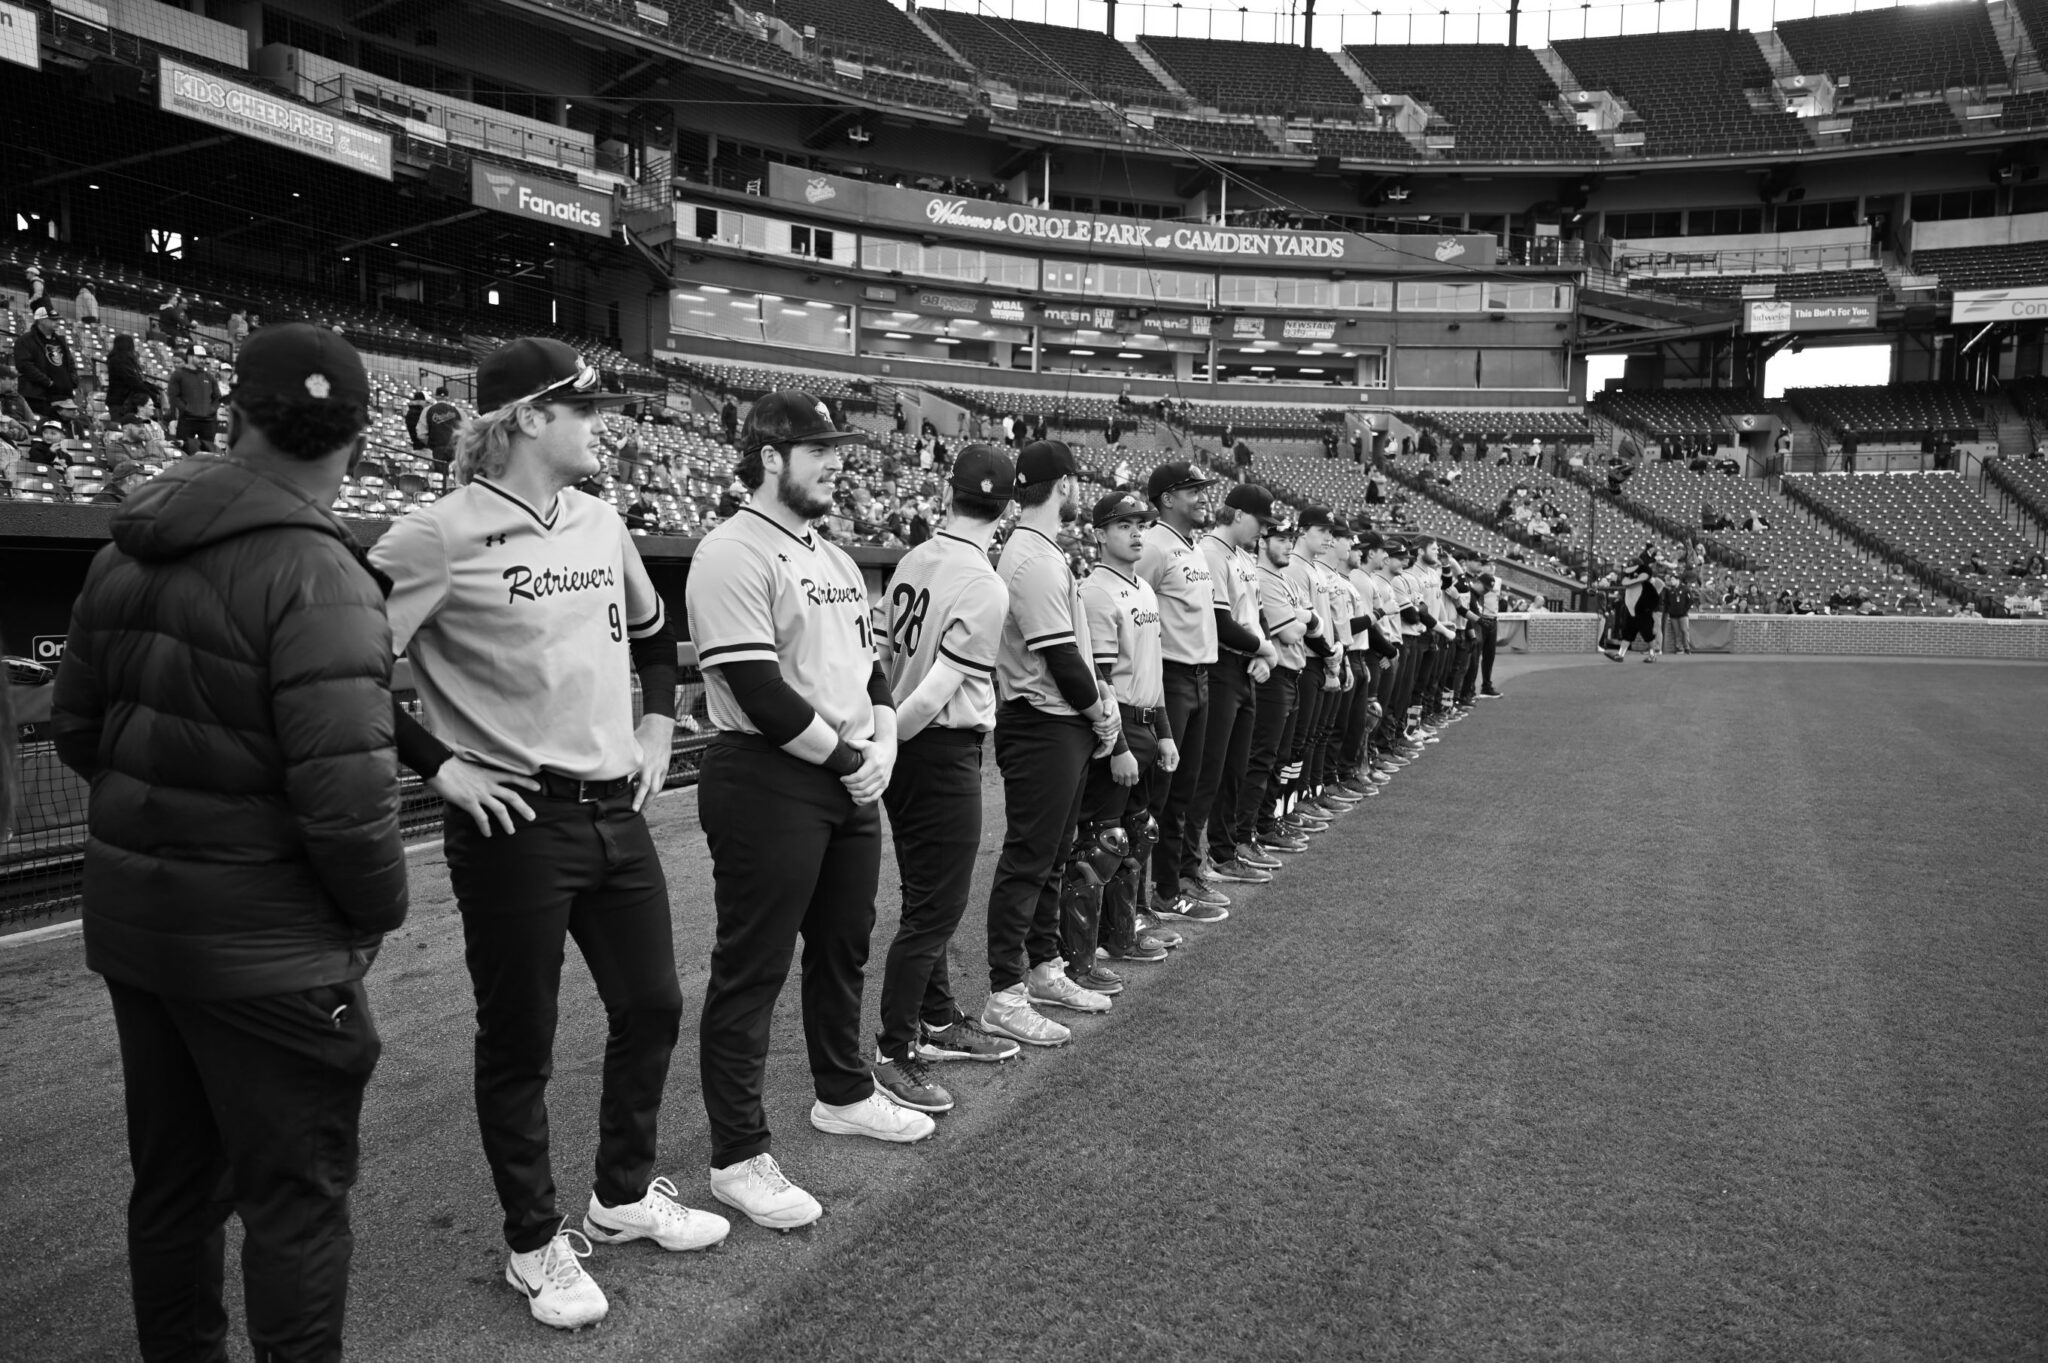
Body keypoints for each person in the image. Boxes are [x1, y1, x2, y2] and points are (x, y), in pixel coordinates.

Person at [51, 323, 407, 1362]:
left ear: (231, 412)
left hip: (142, 926)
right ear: (355, 433)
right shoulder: (321, 571)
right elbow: (350, 807)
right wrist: (373, 914)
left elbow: (80, 732)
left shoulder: (130, 539)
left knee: (174, 1187)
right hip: (270, 948)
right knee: (294, 1206)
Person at [373, 337, 722, 1332]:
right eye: (582, 407)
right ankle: (534, 1242)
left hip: (616, 808)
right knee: (517, 1038)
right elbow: (342, 657)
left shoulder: (601, 519)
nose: (599, 421)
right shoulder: (433, 533)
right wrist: (437, 763)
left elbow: (655, 637)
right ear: (527, 417)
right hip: (514, 821)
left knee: (652, 1004)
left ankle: (620, 1195)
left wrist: (659, 720)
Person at [687, 390, 932, 1236]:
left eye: (839, 448)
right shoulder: (730, 550)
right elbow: (758, 688)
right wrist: (850, 756)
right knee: (751, 967)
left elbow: (867, 672)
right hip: (767, 775)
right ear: (768, 456)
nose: (837, 461)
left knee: (843, 946)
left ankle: (844, 1091)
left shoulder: (829, 553)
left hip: (848, 772)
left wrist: (887, 738)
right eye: (818, 449)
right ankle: (737, 1155)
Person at [871, 444, 1024, 1117]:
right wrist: (885, 744)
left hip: (906, 741)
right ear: (1008, 507)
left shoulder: (914, 557)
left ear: (948, 490)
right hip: (933, 744)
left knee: (923, 896)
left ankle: (935, 1019)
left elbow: (880, 653)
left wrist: (883, 738)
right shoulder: (985, 581)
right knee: (935, 906)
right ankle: (895, 1048)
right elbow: (936, 691)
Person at [981, 439, 1126, 1049]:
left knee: (1053, 855)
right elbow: (1061, 657)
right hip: (1043, 720)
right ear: (1064, 484)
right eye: (1077, 482)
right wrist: (1099, 714)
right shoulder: (1031, 557)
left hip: (1053, 719)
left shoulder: (1038, 549)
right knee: (1029, 859)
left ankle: (1044, 969)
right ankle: (1005, 993)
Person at [1073, 491, 1179, 985]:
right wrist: (1117, 746)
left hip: (1145, 720)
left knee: (1140, 830)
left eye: (1142, 524)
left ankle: (1123, 929)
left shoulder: (1144, 589)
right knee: (1103, 839)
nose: (1137, 532)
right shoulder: (1096, 591)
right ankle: (1081, 956)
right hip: (1116, 727)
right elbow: (1099, 677)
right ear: (1099, 534)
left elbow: (1150, 671)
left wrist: (1163, 734)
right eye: (1124, 525)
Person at [1136, 460, 1230, 922]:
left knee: (1183, 793)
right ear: (1167, 498)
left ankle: (1169, 887)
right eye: (1192, 490)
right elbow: (1135, 608)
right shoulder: (1153, 545)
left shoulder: (1188, 545)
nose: (1202, 496)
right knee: (1159, 794)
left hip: (1200, 678)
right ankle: (1141, 898)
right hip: (1170, 677)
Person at [1194, 483, 1283, 886]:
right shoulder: (1210, 551)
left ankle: (1226, 851)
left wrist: (1261, 654)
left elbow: (1255, 615)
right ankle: (1195, 860)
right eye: (1260, 522)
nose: (1263, 531)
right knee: (1210, 770)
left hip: (1244, 667)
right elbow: (1220, 621)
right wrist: (1264, 650)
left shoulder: (1242, 556)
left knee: (1235, 768)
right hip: (1219, 666)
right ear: (1239, 513)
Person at [13, 302, 78, 419]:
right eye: (52, 319)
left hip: (63, 397)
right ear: (40, 320)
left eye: (57, 319)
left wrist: (72, 381)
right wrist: (47, 382)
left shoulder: (61, 341)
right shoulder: (24, 341)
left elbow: (70, 363)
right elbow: (24, 365)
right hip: (38, 397)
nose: (57, 322)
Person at [167, 349, 222, 455]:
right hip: (187, 420)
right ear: (190, 357)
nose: (203, 360)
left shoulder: (209, 376)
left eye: (204, 358)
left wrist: (210, 410)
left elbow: (217, 398)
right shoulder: (178, 374)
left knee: (208, 454)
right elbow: (173, 397)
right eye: (200, 357)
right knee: (184, 452)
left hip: (208, 422)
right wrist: (187, 409)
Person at [103, 334, 159, 417]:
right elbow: (132, 381)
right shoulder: (119, 361)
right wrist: (151, 393)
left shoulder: (118, 360)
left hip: (120, 401)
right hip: (120, 402)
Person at [422, 387, 462, 471]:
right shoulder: (456, 410)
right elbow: (462, 430)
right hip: (453, 448)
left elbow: (421, 434)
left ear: (436, 396)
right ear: (447, 397)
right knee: (454, 476)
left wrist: (430, 444)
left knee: (441, 477)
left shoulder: (429, 410)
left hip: (438, 449)